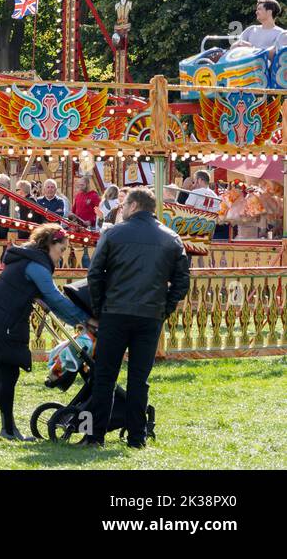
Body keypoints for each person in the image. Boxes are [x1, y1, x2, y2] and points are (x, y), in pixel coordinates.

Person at [85, 188, 191, 448]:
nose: (121, 211)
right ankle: (136, 437)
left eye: (123, 207)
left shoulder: (113, 234)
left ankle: (95, 435)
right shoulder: (171, 238)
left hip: (115, 313)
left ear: (133, 206)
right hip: (149, 315)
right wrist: (164, 308)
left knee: (105, 375)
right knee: (139, 378)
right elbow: (182, 281)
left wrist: (99, 310)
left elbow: (95, 274)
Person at [0, 224, 89, 440]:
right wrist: (84, 319)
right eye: (62, 249)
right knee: (8, 375)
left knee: (0, 375)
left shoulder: (26, 259)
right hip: (3, 324)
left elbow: (50, 301)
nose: (62, 255)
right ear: (50, 244)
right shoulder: (36, 265)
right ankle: (8, 430)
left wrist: (76, 321)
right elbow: (54, 298)